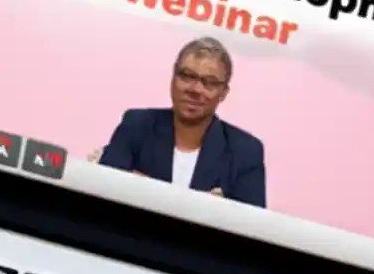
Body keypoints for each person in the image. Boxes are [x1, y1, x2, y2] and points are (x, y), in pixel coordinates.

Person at [98, 36, 267, 207]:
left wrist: (143, 187)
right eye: (187, 76)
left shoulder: (245, 152)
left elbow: (249, 226)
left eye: (209, 83)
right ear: (173, 78)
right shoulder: (137, 125)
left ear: (223, 92)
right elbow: (103, 192)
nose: (195, 90)